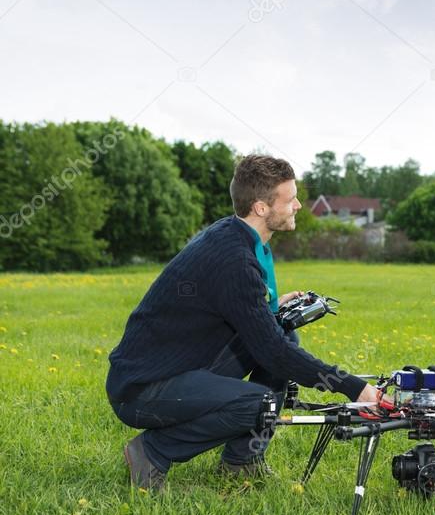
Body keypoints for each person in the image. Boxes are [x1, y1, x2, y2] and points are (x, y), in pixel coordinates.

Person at [106, 154, 381, 491]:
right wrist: (356, 388)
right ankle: (151, 453)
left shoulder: (236, 236)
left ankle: (241, 461)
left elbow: (242, 314)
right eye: (289, 198)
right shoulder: (234, 259)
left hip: (179, 369)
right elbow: (271, 351)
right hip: (142, 389)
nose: (297, 205)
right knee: (260, 399)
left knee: (284, 335)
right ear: (261, 208)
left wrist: (267, 308)